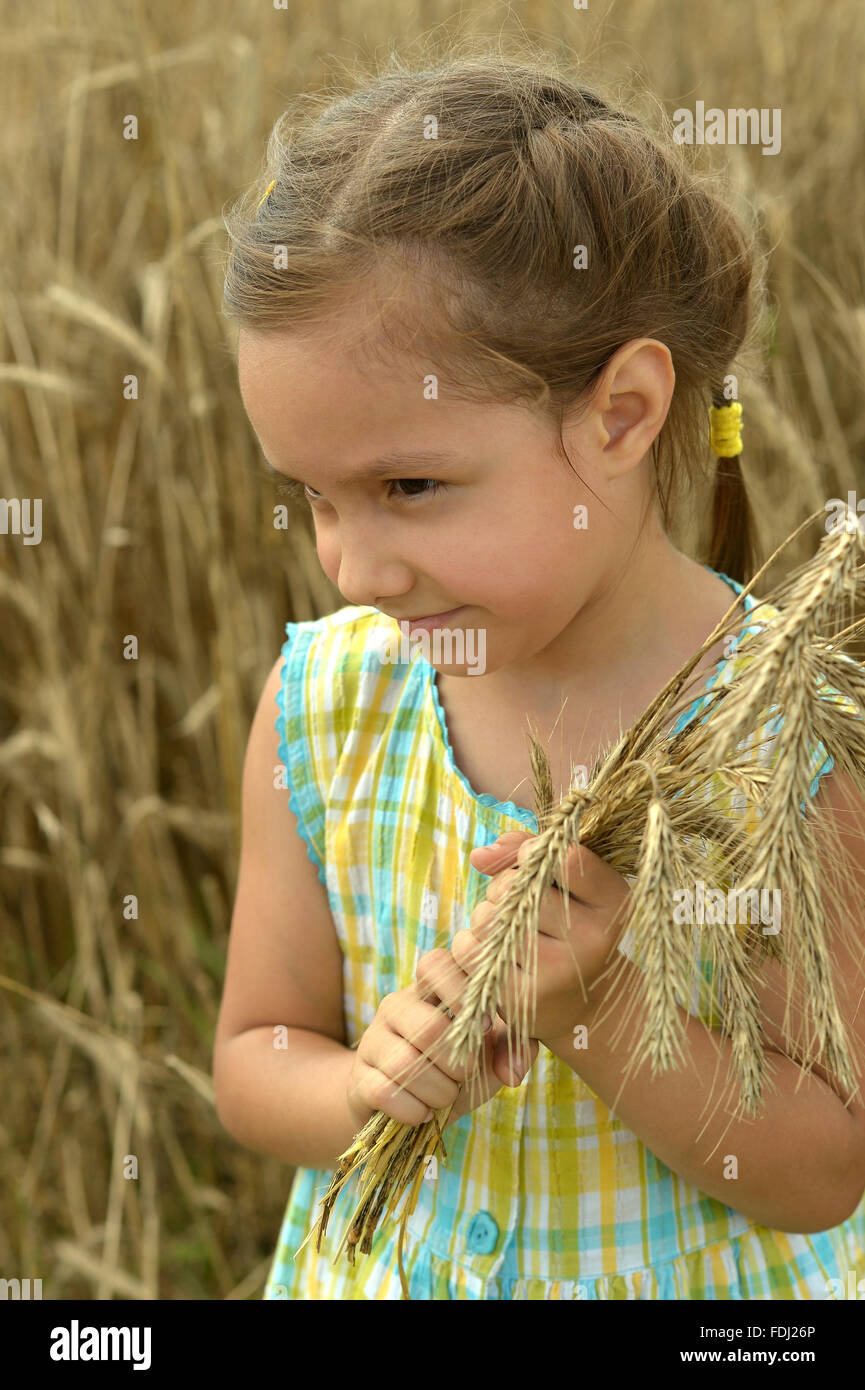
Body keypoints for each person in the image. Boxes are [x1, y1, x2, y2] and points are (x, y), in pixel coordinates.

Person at [212, 53, 865, 1299]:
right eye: (312, 499)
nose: (352, 568)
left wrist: (601, 1006)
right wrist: (359, 1085)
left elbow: (826, 1161)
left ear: (620, 415)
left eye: (409, 487)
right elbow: (255, 1052)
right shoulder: (325, 708)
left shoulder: (785, 741)